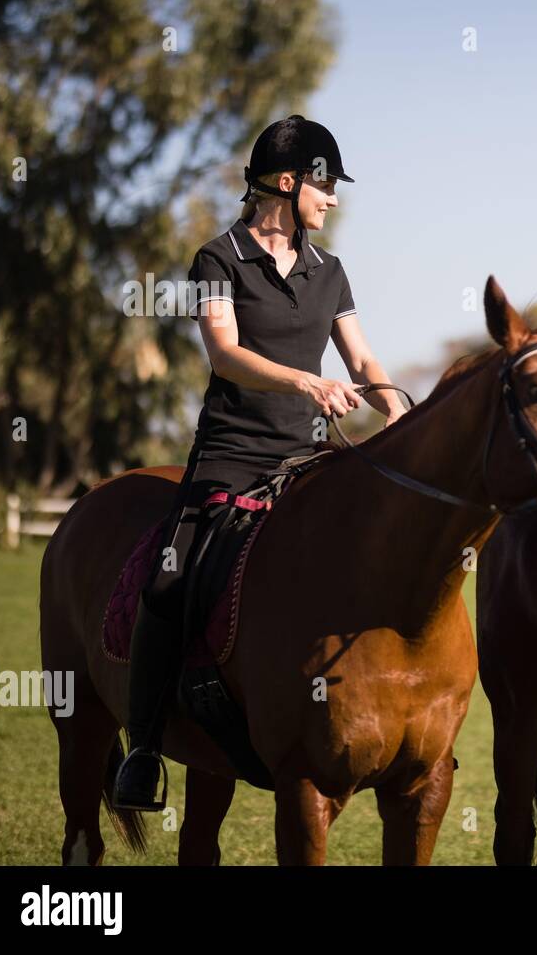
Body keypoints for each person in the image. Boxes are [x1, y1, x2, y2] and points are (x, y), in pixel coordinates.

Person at [113, 115, 407, 809]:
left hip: (309, 458)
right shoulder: (216, 261)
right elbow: (225, 353)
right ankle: (146, 750)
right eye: (325, 184)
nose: (333, 198)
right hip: (231, 457)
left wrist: (393, 404)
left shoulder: (329, 270)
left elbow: (360, 357)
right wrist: (308, 381)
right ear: (288, 181)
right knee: (166, 588)